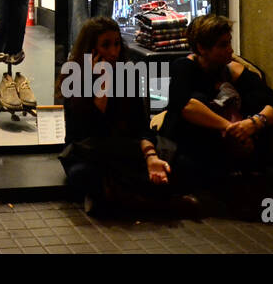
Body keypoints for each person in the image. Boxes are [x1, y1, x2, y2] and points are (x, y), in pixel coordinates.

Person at [60, 17, 196, 217]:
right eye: (106, 45)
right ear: (92, 50)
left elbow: (141, 125)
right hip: (91, 151)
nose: (114, 52)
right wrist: (102, 87)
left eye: (116, 44)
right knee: (82, 174)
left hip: (127, 148)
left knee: (183, 164)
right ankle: (154, 201)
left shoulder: (127, 73)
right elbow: (85, 133)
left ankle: (119, 198)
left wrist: (150, 156)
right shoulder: (75, 77)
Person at [159, 14, 273, 217]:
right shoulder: (184, 67)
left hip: (226, 147)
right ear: (202, 48)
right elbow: (186, 106)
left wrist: (253, 124)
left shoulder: (233, 70)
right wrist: (230, 127)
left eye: (229, 43)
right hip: (188, 148)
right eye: (222, 45)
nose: (230, 50)